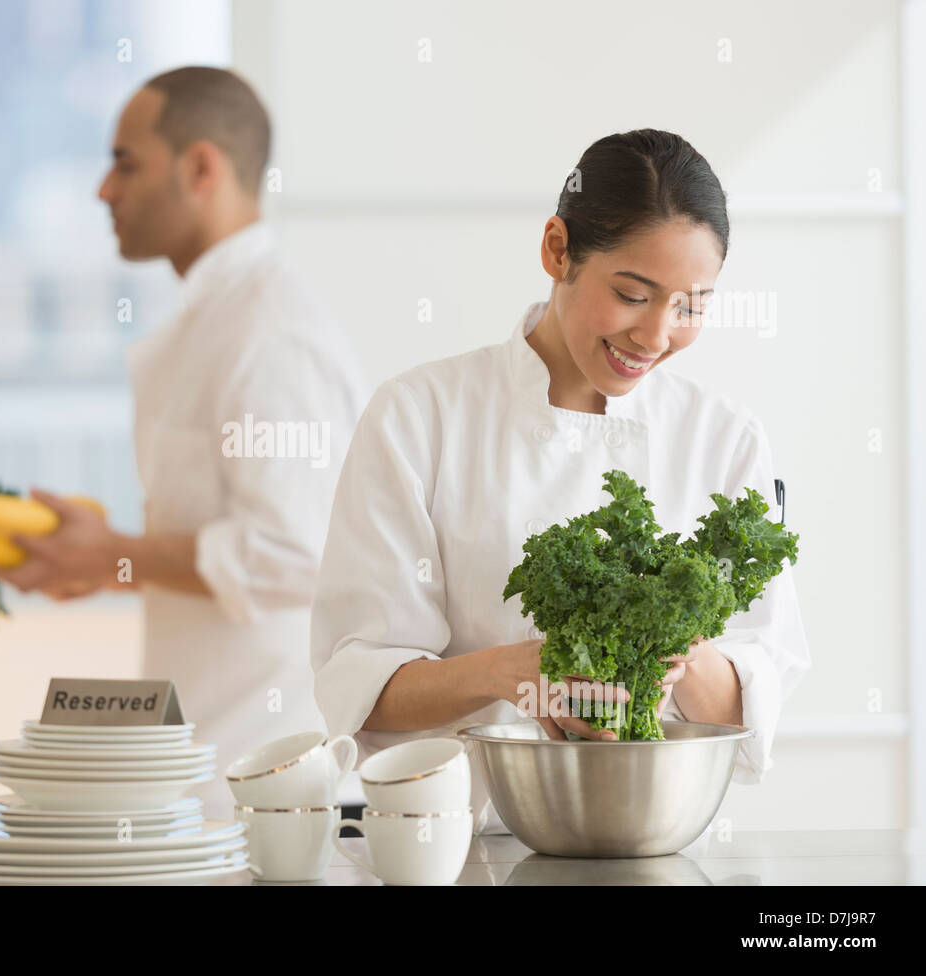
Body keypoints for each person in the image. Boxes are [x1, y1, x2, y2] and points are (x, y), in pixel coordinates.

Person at [309, 129, 811, 835]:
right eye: (633, 294)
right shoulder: (419, 416)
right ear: (556, 250)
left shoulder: (723, 436)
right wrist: (516, 671)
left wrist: (673, 654)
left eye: (691, 306)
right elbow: (361, 685)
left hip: (662, 839)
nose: (656, 334)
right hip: (456, 845)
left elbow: (749, 701)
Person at [0, 67, 368, 818]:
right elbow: (229, 552)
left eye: (125, 162)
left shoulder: (271, 332)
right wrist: (111, 561)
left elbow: (295, 552)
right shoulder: (219, 319)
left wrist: (113, 553)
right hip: (207, 771)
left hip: (269, 785)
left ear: (201, 167)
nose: (104, 189)